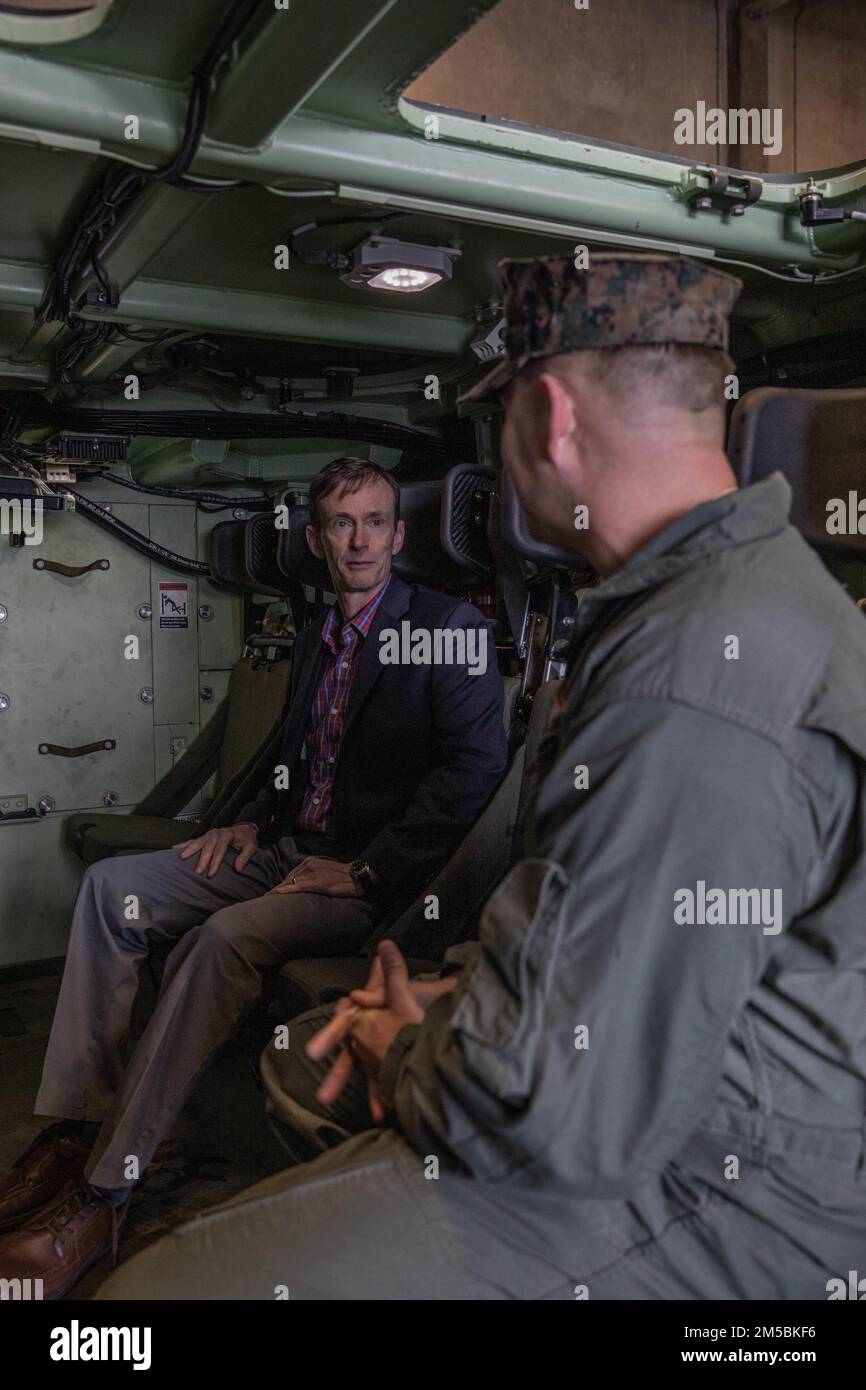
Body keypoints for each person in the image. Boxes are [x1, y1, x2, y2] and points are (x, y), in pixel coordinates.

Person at [95, 253, 866, 1300]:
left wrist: (405, 1043)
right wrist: (456, 991)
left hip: (717, 1207)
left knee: (154, 1299)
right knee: (293, 1074)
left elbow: (561, 1108)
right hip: (679, 1112)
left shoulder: (691, 674)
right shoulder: (741, 603)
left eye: (497, 419)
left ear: (546, 415)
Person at [0, 456, 506, 1298]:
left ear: (400, 535)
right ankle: (77, 1134)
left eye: (375, 521)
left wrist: (367, 869)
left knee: (218, 939)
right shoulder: (313, 638)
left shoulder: (445, 626)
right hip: (281, 851)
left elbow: (473, 775)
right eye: (341, 524)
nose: (359, 540)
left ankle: (105, 1192)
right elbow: (296, 764)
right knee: (111, 891)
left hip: (369, 882)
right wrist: (248, 822)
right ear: (315, 539)